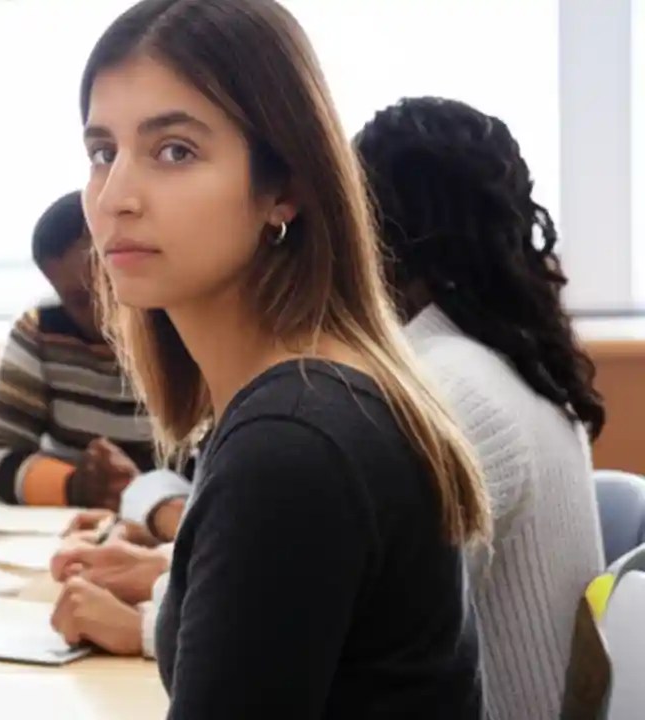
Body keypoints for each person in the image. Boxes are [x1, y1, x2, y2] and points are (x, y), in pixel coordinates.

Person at [49, 1, 491, 718]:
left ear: (283, 188)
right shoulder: (312, 397)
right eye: (103, 152)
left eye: (175, 151)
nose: (115, 197)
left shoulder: (292, 445)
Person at [354, 96, 606, 720]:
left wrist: (151, 621)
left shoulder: (449, 390)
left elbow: (361, 643)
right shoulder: (504, 360)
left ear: (375, 229)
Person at [0, 191, 186, 512]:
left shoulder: (187, 328)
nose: (102, 310)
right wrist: (72, 485)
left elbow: (223, 468)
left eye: (108, 285)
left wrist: (140, 494)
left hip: (173, 524)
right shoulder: (42, 328)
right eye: (79, 300)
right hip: (77, 528)